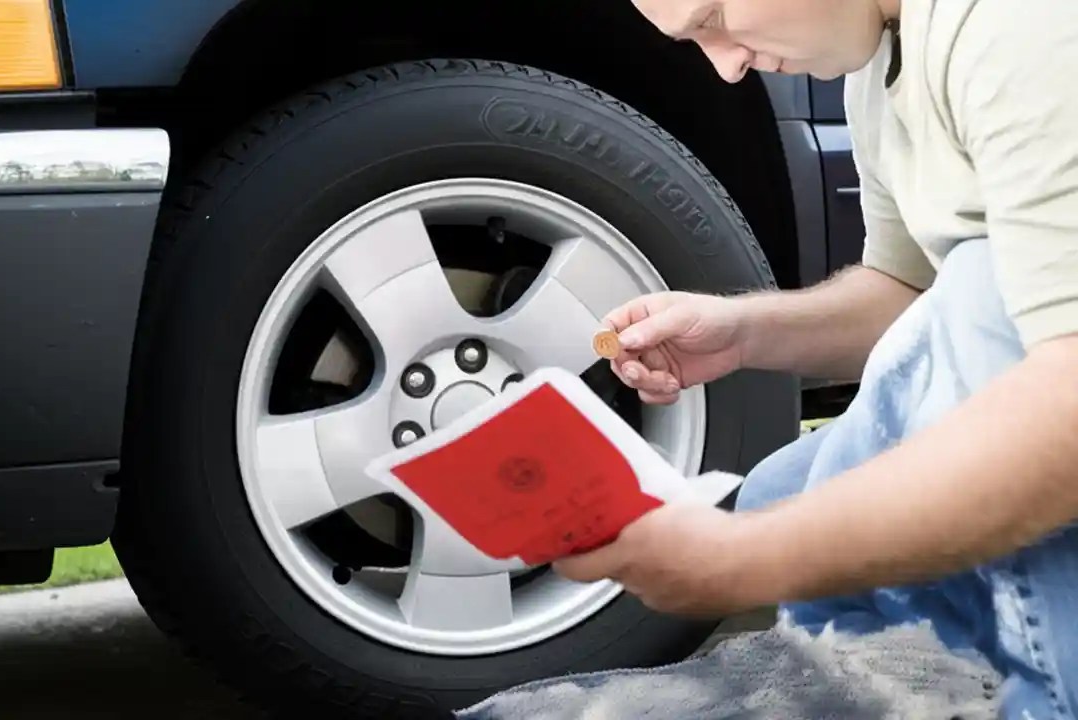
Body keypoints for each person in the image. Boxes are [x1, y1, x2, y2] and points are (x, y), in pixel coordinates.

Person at [457, 0, 1078, 718]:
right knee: (777, 491)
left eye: (715, 15)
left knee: (980, 287)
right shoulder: (875, 69)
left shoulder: (1016, 25)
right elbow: (907, 295)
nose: (727, 66)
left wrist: (743, 561)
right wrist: (742, 330)